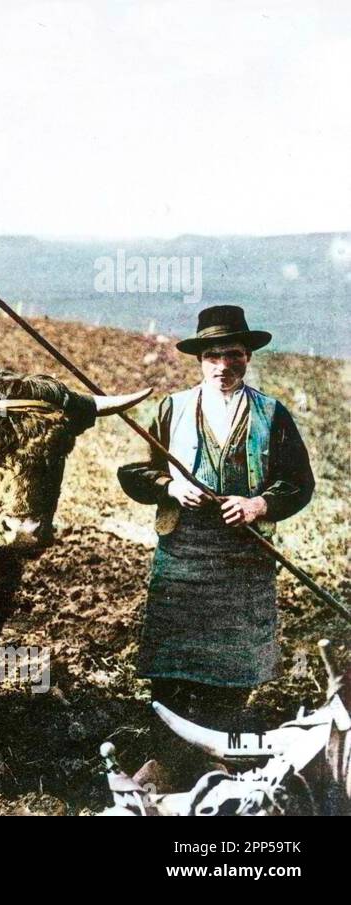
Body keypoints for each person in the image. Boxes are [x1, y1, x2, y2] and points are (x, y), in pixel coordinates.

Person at [117, 305, 315, 787]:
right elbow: (133, 472)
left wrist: (258, 505)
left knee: (233, 662)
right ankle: (163, 761)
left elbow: (299, 483)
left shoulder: (272, 414)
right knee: (173, 659)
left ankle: (211, 757)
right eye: (213, 357)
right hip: (184, 550)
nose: (223, 366)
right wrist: (169, 487)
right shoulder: (173, 409)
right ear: (199, 361)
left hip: (244, 555)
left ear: (247, 358)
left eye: (233, 355)